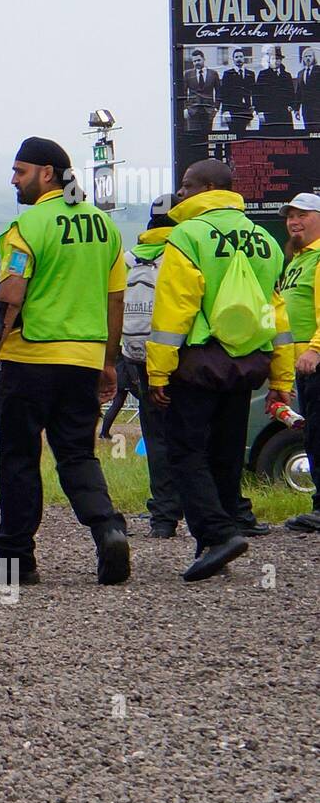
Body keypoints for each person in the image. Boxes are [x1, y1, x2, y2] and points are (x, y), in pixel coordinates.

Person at [0, 137, 130, 586]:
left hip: (29, 358)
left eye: (20, 171)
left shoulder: (26, 228)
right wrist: (108, 362)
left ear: (47, 173)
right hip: (84, 360)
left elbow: (11, 295)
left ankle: (17, 559)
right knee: (77, 454)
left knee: (18, 457)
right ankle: (107, 529)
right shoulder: (105, 229)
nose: (14, 180)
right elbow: (115, 301)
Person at [148, 160, 293, 580]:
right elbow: (277, 315)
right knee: (226, 453)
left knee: (185, 452)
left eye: (186, 186)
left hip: (198, 364)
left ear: (208, 187)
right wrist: (281, 380)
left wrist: (158, 373)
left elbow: (174, 311)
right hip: (247, 365)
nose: (181, 194)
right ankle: (215, 545)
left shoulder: (188, 235)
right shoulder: (265, 239)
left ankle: (218, 534)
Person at [120, 197, 183, 538]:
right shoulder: (182, 255)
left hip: (137, 358)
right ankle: (209, 511)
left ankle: (163, 516)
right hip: (180, 357)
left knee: (155, 437)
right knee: (193, 436)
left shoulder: (129, 258)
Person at [277, 194, 320, 532]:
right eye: (290, 215)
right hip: (302, 365)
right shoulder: (297, 260)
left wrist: (316, 349)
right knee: (312, 434)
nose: (294, 221)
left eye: (303, 215)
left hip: (315, 362)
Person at [254, 47, 295, 131]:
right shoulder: (263, 75)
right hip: (268, 113)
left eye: (278, 59)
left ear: (281, 60)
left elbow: (291, 93)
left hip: (284, 114)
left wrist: (291, 105)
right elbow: (257, 94)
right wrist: (259, 111)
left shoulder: (287, 75)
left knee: (285, 138)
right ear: (269, 60)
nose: (276, 61)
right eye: (273, 58)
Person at [182, 49, 219, 133]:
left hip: (208, 111)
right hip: (193, 111)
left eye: (198, 60)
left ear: (204, 59)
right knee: (193, 138)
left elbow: (218, 92)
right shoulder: (188, 74)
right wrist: (185, 109)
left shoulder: (213, 74)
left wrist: (216, 108)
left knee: (207, 138)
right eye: (194, 61)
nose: (196, 63)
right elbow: (183, 92)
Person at [220, 47, 256, 132]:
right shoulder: (228, 74)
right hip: (233, 111)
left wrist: (253, 106)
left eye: (240, 56)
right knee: (233, 134)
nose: (238, 59)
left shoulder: (250, 74)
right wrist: (225, 111)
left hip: (245, 110)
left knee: (244, 134)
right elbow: (224, 93)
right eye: (236, 57)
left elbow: (254, 92)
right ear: (233, 59)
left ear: (244, 58)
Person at [296, 47, 320, 130]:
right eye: (306, 57)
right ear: (303, 59)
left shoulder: (318, 70)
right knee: (308, 133)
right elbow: (299, 92)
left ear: (314, 57)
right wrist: (296, 109)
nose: (308, 58)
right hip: (306, 110)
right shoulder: (300, 74)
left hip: (317, 109)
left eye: (310, 56)